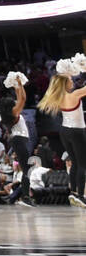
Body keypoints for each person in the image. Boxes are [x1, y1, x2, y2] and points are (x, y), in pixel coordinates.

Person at [37, 58, 86, 207]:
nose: (72, 81)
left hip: (64, 131)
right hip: (77, 131)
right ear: (65, 83)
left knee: (75, 163)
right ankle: (81, 196)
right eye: (70, 79)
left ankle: (74, 193)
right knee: (83, 164)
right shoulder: (74, 95)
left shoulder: (59, 98)